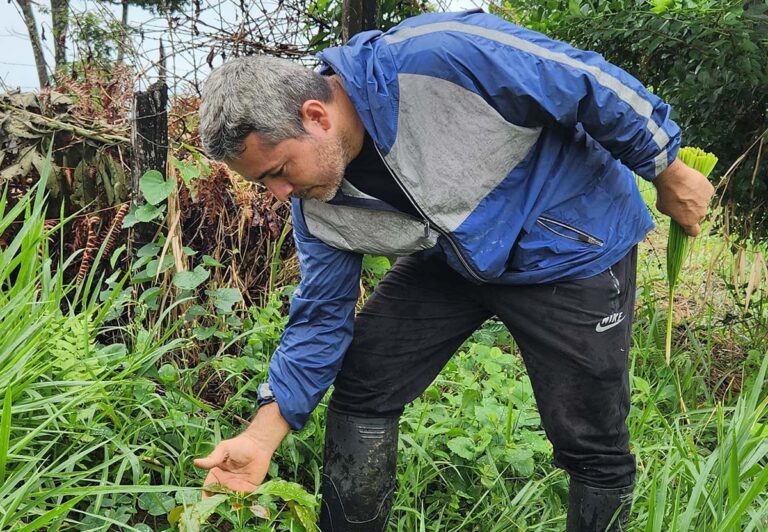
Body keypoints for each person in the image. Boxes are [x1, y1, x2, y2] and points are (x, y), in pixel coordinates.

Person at [192, 9, 714, 531]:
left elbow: (584, 80)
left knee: (591, 439)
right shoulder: (317, 208)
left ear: (316, 116)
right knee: (365, 380)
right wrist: (260, 438)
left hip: (572, 246)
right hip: (454, 259)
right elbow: (320, 321)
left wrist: (667, 166)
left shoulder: (438, 56)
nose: (278, 195)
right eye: (264, 183)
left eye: (279, 171)